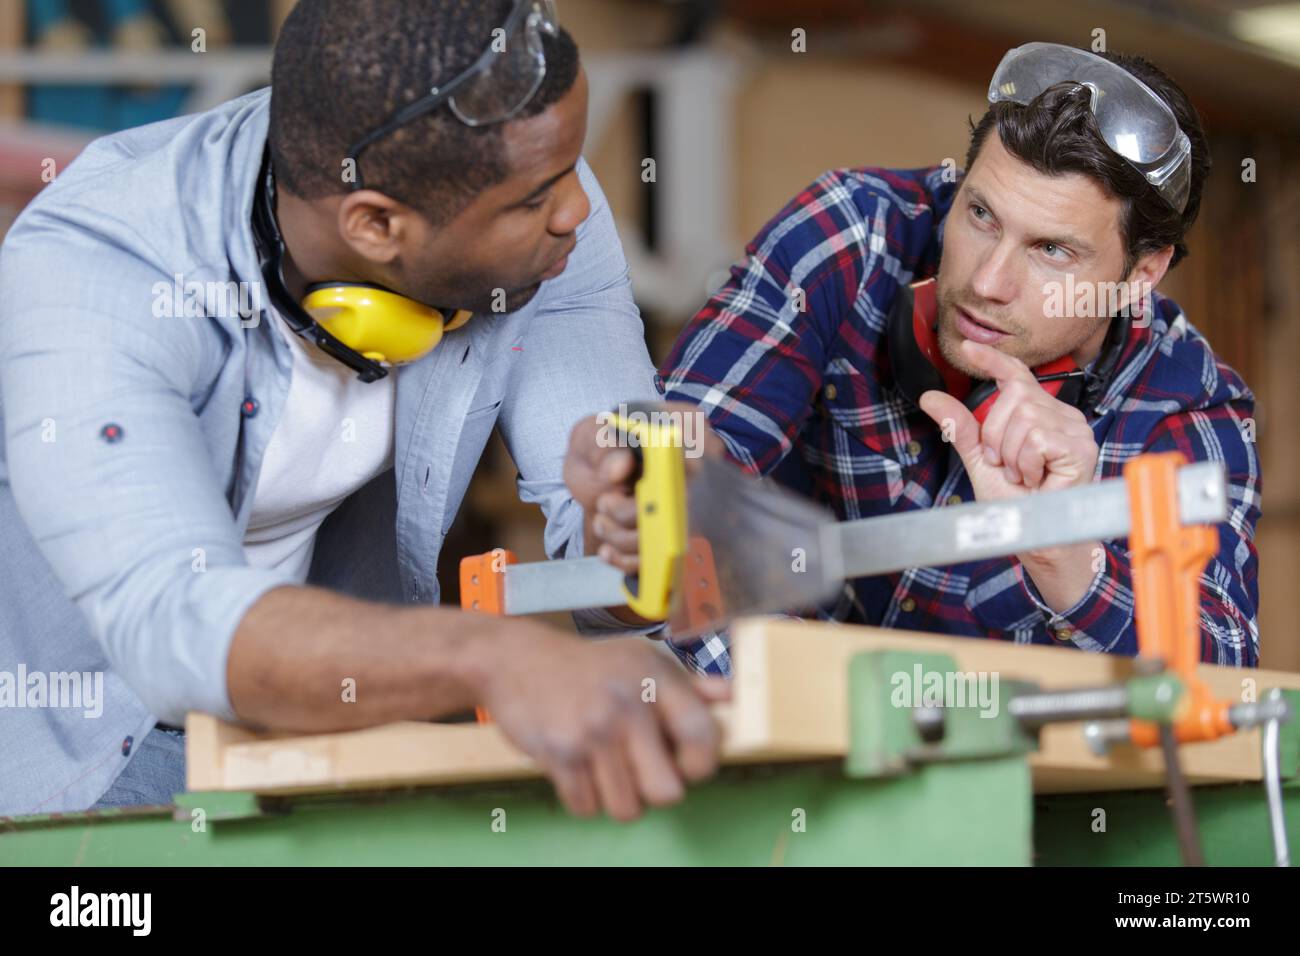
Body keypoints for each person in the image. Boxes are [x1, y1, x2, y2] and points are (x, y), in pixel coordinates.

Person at [0, 0, 726, 822]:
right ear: (376, 224)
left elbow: (614, 567)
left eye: (569, 170)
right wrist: (495, 659)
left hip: (323, 717)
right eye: (535, 200)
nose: (579, 212)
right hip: (74, 751)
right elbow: (172, 624)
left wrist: (630, 539)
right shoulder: (101, 271)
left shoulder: (533, 198)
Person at [577, 43, 1260, 674]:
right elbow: (691, 453)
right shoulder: (853, 236)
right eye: (981, 215)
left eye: (1052, 251)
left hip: (1010, 786)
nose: (988, 282)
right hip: (777, 748)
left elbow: (1222, 670)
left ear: (1140, 276)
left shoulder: (1187, 405)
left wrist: (1066, 555)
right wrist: (655, 475)